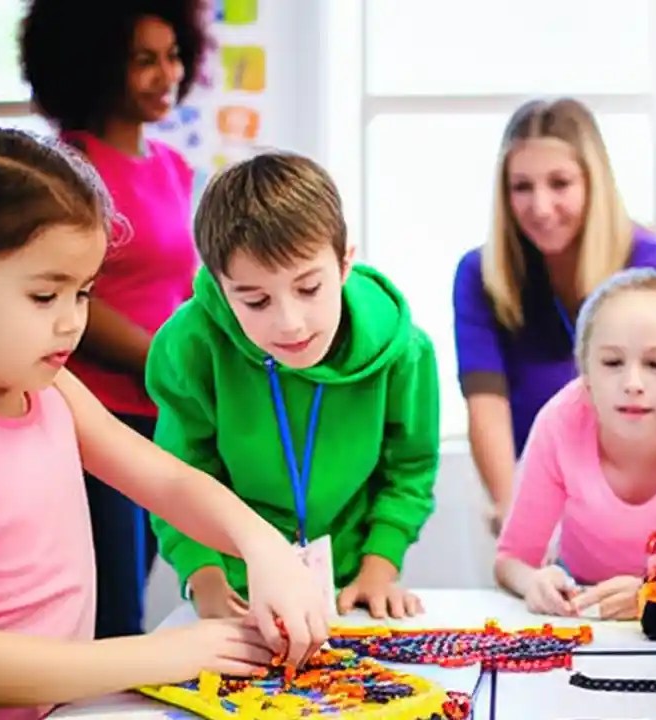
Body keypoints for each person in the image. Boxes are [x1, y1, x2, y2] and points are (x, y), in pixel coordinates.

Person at [0, 125, 330, 720]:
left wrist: (264, 549)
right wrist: (162, 654)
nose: (72, 322)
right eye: (45, 297)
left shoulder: (52, 393)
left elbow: (168, 482)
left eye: (83, 294)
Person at [147, 151, 438, 621]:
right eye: (256, 299)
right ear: (222, 289)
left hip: (351, 587)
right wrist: (205, 578)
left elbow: (409, 469)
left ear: (344, 265)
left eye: (308, 289)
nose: (290, 323)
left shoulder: (405, 350)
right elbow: (178, 474)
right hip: (238, 586)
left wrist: (379, 568)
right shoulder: (189, 347)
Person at [20, 0, 208, 638]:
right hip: (94, 412)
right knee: (112, 612)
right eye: (144, 61)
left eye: (173, 56)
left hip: (163, 411)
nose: (167, 75)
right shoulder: (67, 168)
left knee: (143, 594)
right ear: (99, 67)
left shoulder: (174, 169)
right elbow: (65, 293)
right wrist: (163, 356)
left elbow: (183, 289)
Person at [453, 98, 656, 534]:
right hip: (533, 491)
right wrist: (513, 516)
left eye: (559, 183)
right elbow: (486, 404)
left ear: (593, 182)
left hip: (639, 498)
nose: (540, 206)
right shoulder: (480, 274)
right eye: (521, 186)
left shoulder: (651, 263)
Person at [494, 268, 656, 619]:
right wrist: (534, 583)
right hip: (580, 602)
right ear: (586, 377)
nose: (633, 382)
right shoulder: (558, 422)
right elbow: (511, 560)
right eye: (612, 362)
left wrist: (654, 594)